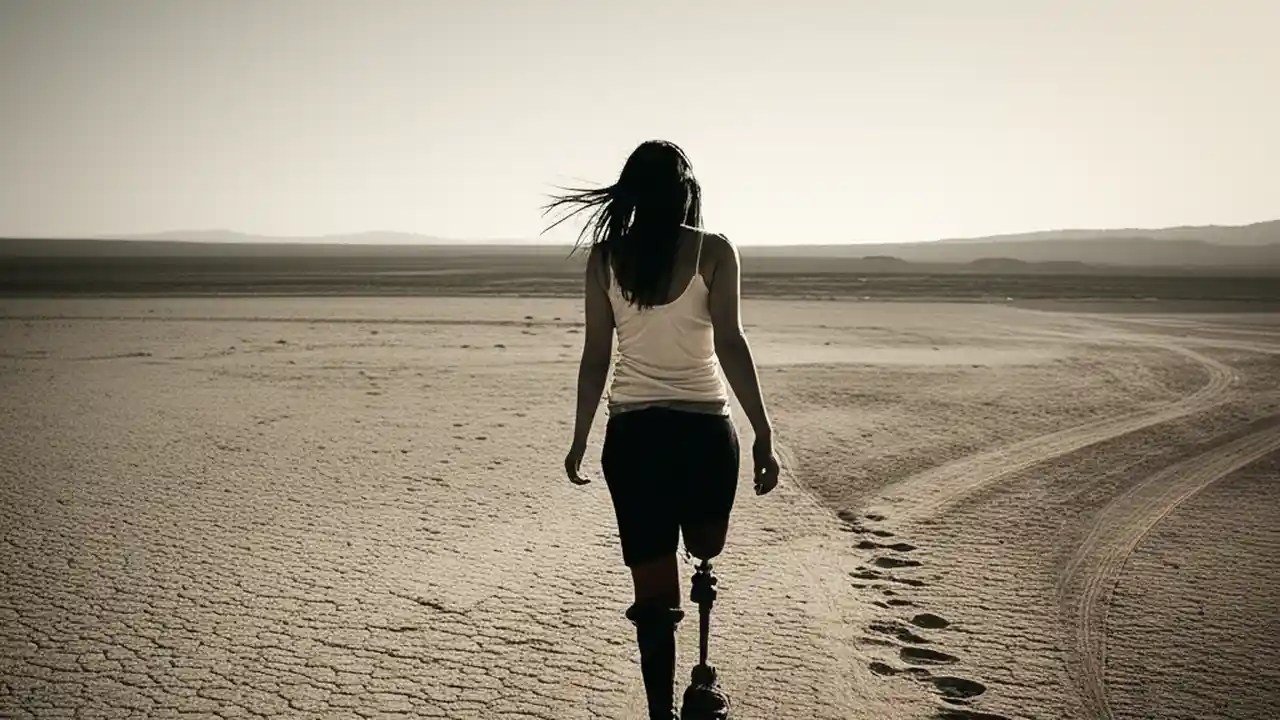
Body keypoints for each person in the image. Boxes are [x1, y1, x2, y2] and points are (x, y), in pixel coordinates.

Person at [543, 139, 780, 720]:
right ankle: (697, 676)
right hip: (704, 433)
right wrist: (762, 431)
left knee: (653, 588)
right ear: (685, 192)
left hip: (634, 438)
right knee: (703, 547)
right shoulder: (714, 251)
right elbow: (730, 342)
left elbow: (595, 355)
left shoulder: (605, 259)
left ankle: (661, 713)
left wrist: (582, 436)